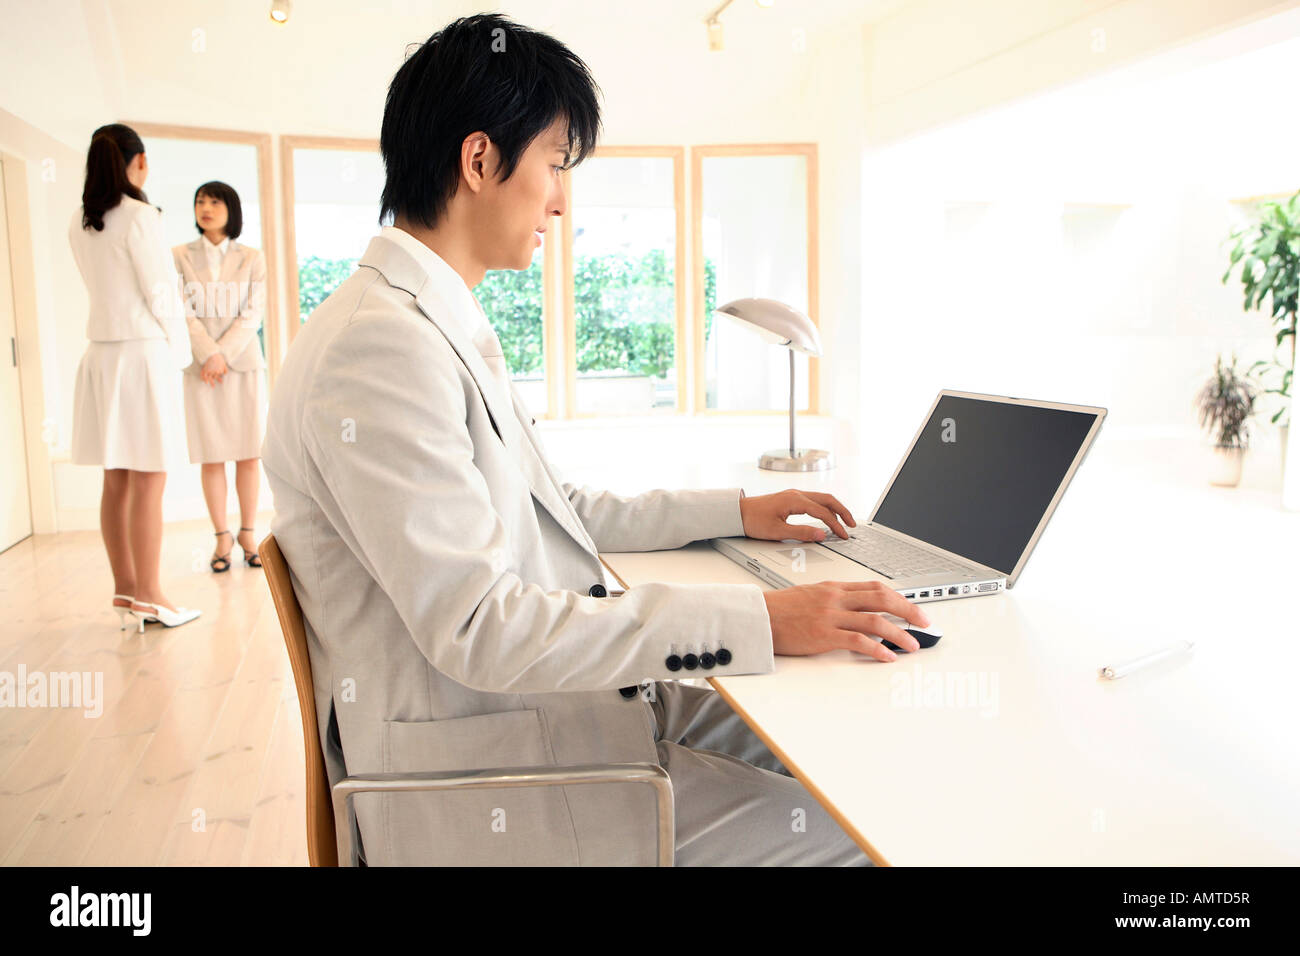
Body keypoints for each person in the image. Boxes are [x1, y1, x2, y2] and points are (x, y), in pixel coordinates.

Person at [262, 14, 927, 866]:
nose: (561, 199)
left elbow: (560, 509)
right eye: (553, 164)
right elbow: (478, 626)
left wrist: (737, 510)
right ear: (479, 161)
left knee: (835, 751)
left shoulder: (425, 322)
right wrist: (764, 616)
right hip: (500, 783)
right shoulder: (377, 348)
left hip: (552, 714)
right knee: (858, 836)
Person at [68, 123, 200, 633]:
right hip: (142, 355)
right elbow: (161, 294)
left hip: (101, 355)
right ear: (138, 162)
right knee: (150, 476)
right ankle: (152, 595)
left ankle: (126, 590)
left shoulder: (80, 222)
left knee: (117, 476)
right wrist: (182, 353)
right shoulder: (141, 217)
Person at [172, 181, 268, 572]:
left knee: (248, 452)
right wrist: (209, 354)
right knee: (211, 455)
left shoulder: (252, 257)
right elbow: (181, 311)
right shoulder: (178, 256)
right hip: (201, 369)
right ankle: (221, 538)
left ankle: (248, 532)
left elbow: (253, 313)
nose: (205, 208)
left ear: (231, 209)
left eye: (214, 201)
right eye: (199, 201)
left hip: (242, 365)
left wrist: (223, 354)